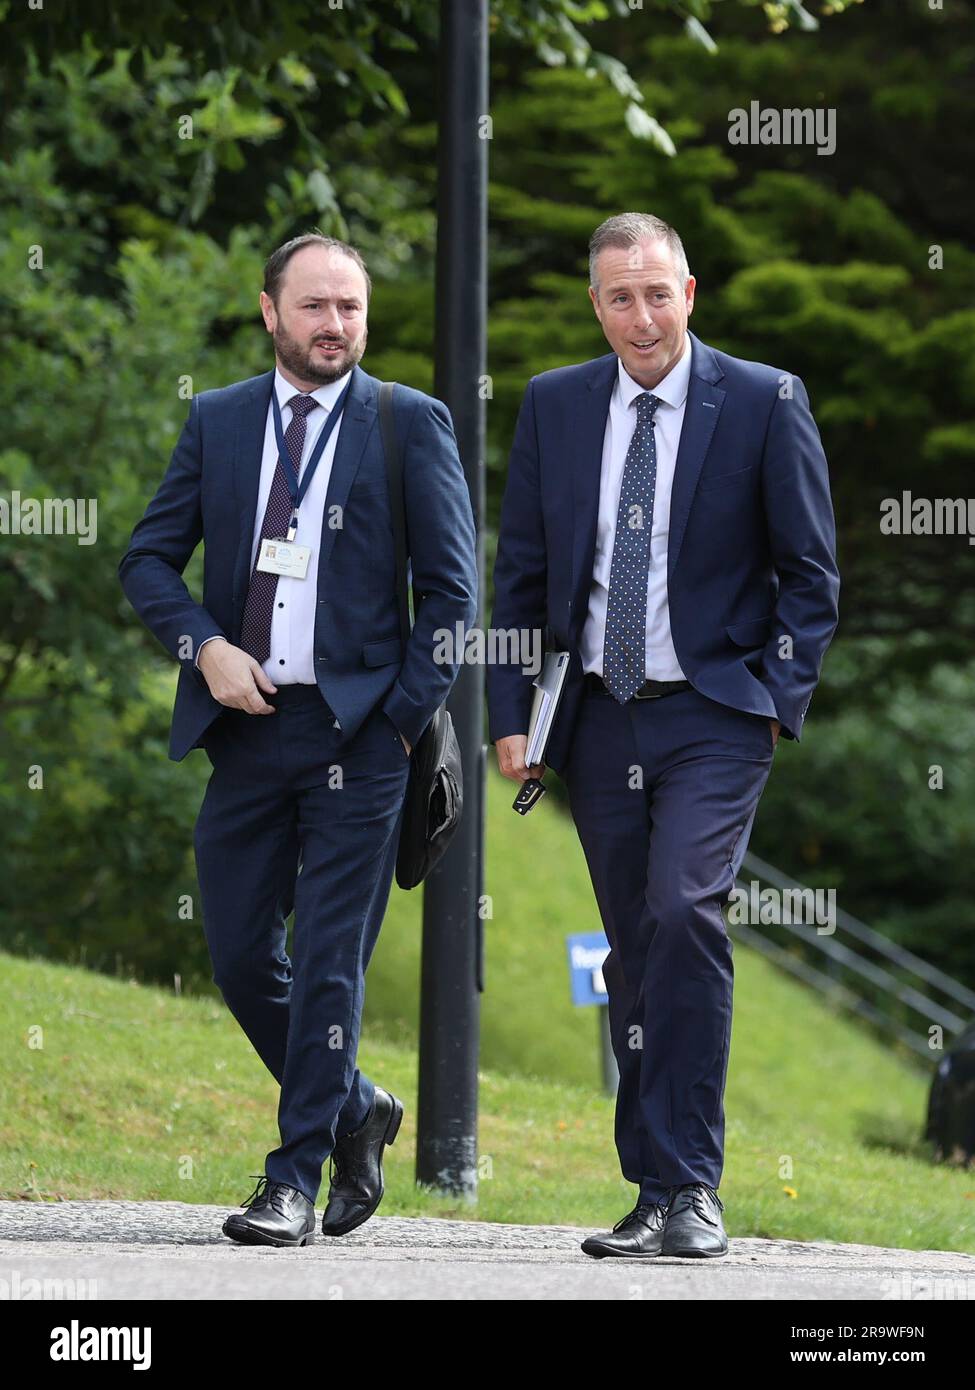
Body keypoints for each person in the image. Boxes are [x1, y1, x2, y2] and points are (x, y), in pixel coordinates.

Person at [487, 211, 839, 1258]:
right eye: (618, 296)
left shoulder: (765, 402)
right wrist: (514, 715)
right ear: (595, 305)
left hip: (714, 713)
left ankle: (693, 1186)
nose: (641, 315)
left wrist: (775, 698)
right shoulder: (555, 406)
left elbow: (812, 578)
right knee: (634, 952)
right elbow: (520, 575)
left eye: (657, 292)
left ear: (691, 292)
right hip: (597, 717)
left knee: (686, 908)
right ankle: (653, 1189)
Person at [119, 233, 478, 1248]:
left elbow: (453, 597)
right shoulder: (221, 420)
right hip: (249, 724)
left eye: (351, 309)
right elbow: (147, 559)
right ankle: (357, 1101)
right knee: (239, 951)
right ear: (270, 311)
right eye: (315, 307)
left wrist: (403, 722)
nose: (335, 326)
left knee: (329, 960)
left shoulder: (410, 423)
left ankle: (292, 1176)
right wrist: (204, 648)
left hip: (363, 737)